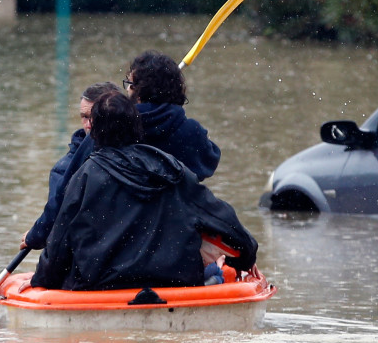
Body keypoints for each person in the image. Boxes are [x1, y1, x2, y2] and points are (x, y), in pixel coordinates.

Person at [32, 88, 257, 291]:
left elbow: (59, 240)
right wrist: (246, 256)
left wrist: (41, 282)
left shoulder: (84, 176)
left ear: (96, 131)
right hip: (172, 281)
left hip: (100, 284)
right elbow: (221, 218)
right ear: (136, 125)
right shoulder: (172, 168)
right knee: (215, 273)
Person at [21, 82, 121, 252]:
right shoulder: (65, 167)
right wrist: (36, 235)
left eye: (94, 116)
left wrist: (36, 235)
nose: (88, 124)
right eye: (84, 116)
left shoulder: (142, 156)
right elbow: (57, 213)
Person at [125, 50, 220, 181]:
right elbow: (209, 160)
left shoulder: (115, 128)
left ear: (139, 90)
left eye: (130, 84)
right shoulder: (190, 131)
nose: (127, 89)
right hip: (178, 200)